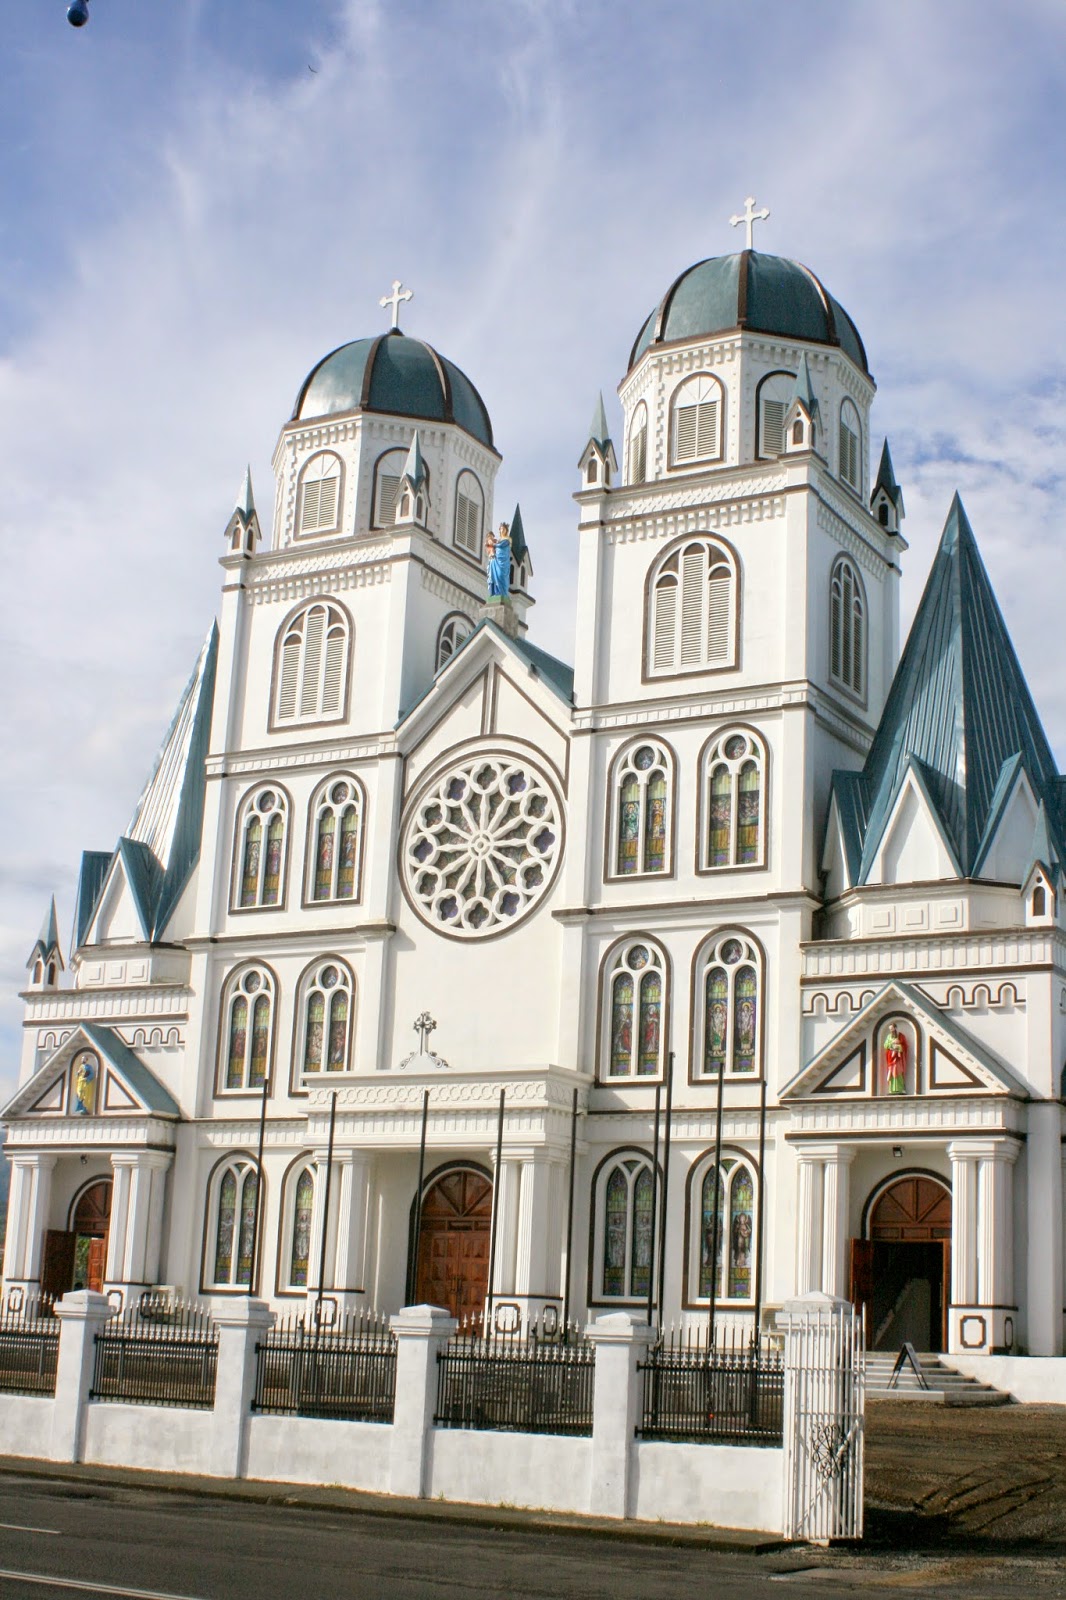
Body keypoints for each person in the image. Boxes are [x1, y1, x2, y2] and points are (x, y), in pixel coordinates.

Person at [487, 522, 512, 599]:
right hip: (496, 559)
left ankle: (503, 593)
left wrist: (493, 544)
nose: (502, 530)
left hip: (503, 561)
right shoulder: (498, 540)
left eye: (504, 529)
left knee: (501, 575)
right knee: (494, 575)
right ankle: (495, 593)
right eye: (501, 529)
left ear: (506, 530)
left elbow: (502, 545)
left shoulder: (507, 539)